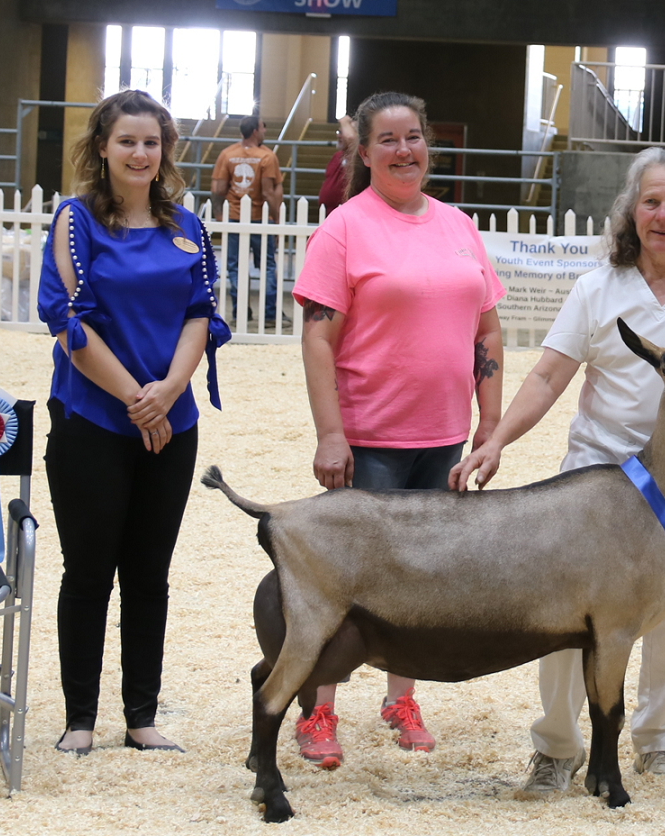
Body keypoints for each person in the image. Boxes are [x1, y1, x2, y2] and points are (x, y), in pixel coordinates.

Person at [450, 147, 665, 790]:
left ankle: (661, 740)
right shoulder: (598, 287)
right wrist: (497, 439)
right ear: (631, 212)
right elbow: (548, 375)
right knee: (567, 618)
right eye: (652, 202)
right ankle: (557, 748)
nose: (664, 216)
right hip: (598, 481)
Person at [291, 91, 505, 769]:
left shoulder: (459, 226)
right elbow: (318, 339)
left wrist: (490, 421)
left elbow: (487, 328)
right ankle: (318, 709)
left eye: (413, 136)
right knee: (346, 582)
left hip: (443, 437)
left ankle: (400, 699)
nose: (404, 150)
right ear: (364, 152)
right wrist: (331, 434)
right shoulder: (344, 229)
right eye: (387, 140)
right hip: (369, 438)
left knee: (420, 579)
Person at [38, 89, 231, 756]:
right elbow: (69, 320)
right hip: (94, 419)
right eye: (127, 141)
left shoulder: (187, 226)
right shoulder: (75, 221)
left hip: (171, 423)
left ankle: (141, 717)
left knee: (149, 575)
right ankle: (80, 720)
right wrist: (134, 398)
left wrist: (170, 390)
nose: (140, 153)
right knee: (88, 572)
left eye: (151, 142)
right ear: (102, 147)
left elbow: (200, 312)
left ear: (164, 150)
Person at [211, 115, 285, 325]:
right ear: (255, 131)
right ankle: (269, 314)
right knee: (267, 266)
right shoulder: (267, 156)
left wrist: (219, 215)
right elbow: (269, 192)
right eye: (262, 127)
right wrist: (276, 220)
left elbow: (218, 189)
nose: (264, 131)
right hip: (260, 219)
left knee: (236, 267)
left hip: (234, 218)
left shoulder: (228, 154)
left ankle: (240, 312)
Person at [317, 115, 356, 216]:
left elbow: (351, 138)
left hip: (347, 214)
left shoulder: (357, 157)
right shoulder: (337, 156)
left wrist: (344, 121)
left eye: (342, 133)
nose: (339, 136)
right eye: (339, 132)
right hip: (328, 213)